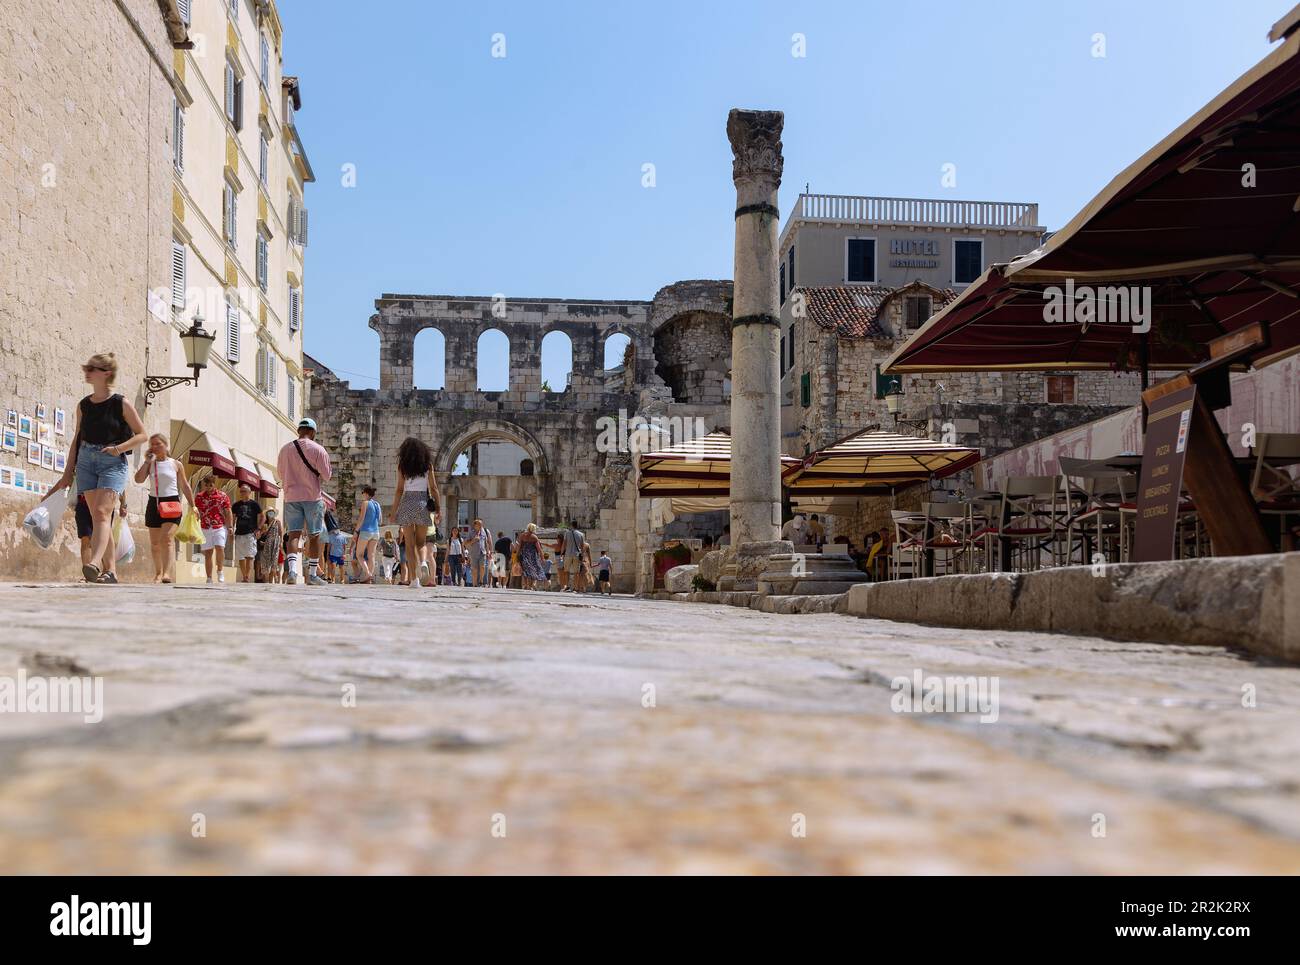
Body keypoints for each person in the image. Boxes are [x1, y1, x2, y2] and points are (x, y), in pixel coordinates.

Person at [48, 353, 148, 583]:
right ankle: (111, 570)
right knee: (99, 518)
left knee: (102, 514)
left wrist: (119, 449)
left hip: (112, 462)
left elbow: (142, 435)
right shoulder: (83, 405)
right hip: (86, 461)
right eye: (87, 368)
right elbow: (76, 439)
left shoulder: (121, 403)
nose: (87, 371)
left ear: (106, 373)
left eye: (92, 368)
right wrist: (67, 472)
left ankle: (93, 563)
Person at [276, 417, 332, 586]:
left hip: (292, 496)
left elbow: (280, 473)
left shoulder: (285, 449)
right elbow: (327, 476)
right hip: (312, 497)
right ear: (313, 432)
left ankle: (292, 572)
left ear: (298, 430)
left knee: (293, 534)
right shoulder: (319, 449)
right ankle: (313, 575)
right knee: (314, 537)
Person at [133, 432, 193, 584]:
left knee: (166, 539)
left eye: (158, 444)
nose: (154, 447)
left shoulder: (176, 464)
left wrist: (193, 505)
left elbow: (185, 485)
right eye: (152, 444)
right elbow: (138, 480)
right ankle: (158, 573)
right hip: (154, 502)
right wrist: (147, 462)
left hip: (171, 502)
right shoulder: (150, 464)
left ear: (166, 445)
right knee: (154, 543)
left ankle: (166, 573)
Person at [390, 436, 440, 587]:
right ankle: (424, 562)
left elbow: (399, 490)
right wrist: (438, 509)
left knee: (410, 544)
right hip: (422, 503)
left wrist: (393, 512)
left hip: (407, 503)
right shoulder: (428, 466)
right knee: (421, 542)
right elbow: (434, 489)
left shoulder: (402, 466)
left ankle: (414, 580)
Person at [194, 475, 233, 584]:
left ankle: (220, 571)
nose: (209, 488)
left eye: (210, 485)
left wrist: (230, 526)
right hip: (205, 527)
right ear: (203, 485)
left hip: (219, 526)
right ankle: (209, 577)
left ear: (214, 484)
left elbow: (228, 511)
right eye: (206, 485)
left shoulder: (222, 496)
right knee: (208, 553)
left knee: (220, 548)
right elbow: (196, 511)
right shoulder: (199, 497)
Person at [230, 482, 263, 583]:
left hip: (250, 533)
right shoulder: (236, 505)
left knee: (249, 555)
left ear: (249, 492)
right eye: (241, 491)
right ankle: (244, 575)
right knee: (240, 556)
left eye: (244, 491)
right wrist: (231, 530)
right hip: (239, 533)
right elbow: (233, 518)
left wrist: (259, 528)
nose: (242, 493)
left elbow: (262, 516)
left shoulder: (254, 504)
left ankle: (247, 576)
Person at [354, 485, 382, 584]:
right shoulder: (377, 504)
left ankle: (368, 573)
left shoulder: (365, 503)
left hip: (366, 531)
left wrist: (356, 531)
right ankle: (368, 577)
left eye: (363, 493)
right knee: (372, 556)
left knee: (359, 555)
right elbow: (380, 520)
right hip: (376, 532)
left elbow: (361, 519)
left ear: (366, 493)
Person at [556, 520, 585, 593]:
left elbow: (564, 544)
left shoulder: (567, 533)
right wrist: (583, 556)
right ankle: (575, 588)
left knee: (566, 571)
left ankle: (567, 586)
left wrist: (562, 553)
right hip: (577, 554)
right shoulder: (581, 534)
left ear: (571, 525)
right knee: (576, 572)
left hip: (568, 554)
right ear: (576, 525)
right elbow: (582, 546)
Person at [257, 508, 283, 584]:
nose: (270, 513)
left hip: (275, 543)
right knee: (266, 562)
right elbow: (261, 534)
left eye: (272, 512)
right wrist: (262, 532)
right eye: (269, 512)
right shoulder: (265, 523)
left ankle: (271, 581)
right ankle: (267, 580)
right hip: (267, 544)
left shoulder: (277, 522)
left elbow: (280, 532)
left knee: (274, 562)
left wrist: (281, 541)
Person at [517, 523, 546, 590]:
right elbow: (539, 549)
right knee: (533, 570)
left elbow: (519, 547)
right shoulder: (534, 537)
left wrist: (517, 555)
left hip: (524, 555)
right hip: (533, 556)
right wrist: (542, 558)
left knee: (525, 570)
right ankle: (531, 585)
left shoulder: (522, 536)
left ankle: (525, 585)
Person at [465, 518, 491, 587]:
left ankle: (481, 580)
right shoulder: (471, 532)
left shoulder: (484, 532)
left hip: (483, 552)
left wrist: (488, 552)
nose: (481, 525)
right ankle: (474, 584)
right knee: (474, 569)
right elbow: (466, 543)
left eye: (481, 524)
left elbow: (486, 543)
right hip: (474, 553)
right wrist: (474, 540)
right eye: (479, 524)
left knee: (483, 567)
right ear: (475, 525)